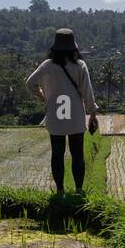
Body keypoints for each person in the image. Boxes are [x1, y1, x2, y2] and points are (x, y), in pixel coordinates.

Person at [26, 28, 98, 194]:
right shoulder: (80, 66)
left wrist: (43, 97)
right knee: (77, 155)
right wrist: (92, 114)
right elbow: (88, 93)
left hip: (55, 115)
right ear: (74, 47)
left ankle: (60, 190)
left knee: (57, 154)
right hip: (75, 117)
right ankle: (79, 190)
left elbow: (30, 83)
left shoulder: (46, 66)